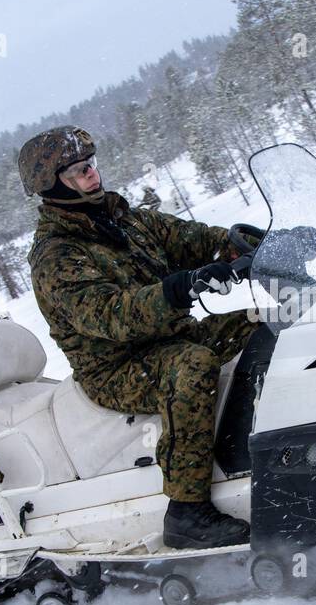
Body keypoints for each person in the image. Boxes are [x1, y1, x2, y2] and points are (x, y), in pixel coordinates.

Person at [19, 126, 257, 550]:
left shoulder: (122, 219)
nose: (90, 175)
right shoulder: (56, 255)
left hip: (172, 338)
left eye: (90, 165)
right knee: (193, 368)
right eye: (76, 171)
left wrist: (245, 244)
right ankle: (187, 512)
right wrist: (179, 288)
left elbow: (191, 240)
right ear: (52, 185)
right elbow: (111, 314)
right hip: (116, 368)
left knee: (260, 318)